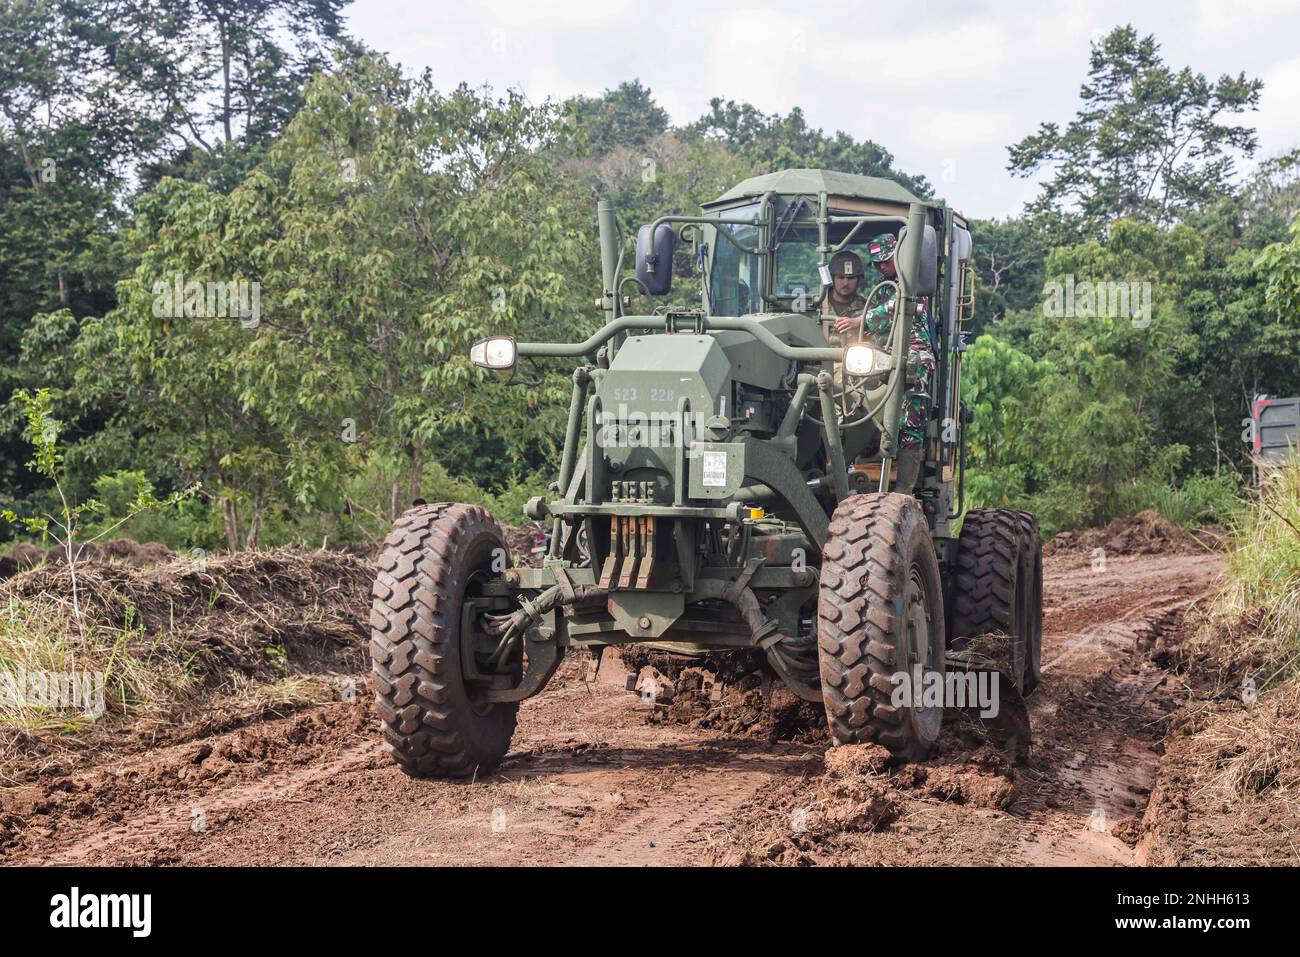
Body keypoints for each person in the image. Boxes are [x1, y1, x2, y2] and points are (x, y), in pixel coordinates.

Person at [831, 233, 936, 494]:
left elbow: (893, 310)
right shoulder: (886, 284)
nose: (881, 267)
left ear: (898, 257)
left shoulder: (910, 284)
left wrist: (858, 323)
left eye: (885, 261)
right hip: (884, 360)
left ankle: (903, 491)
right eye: (877, 263)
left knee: (910, 424)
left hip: (914, 359)